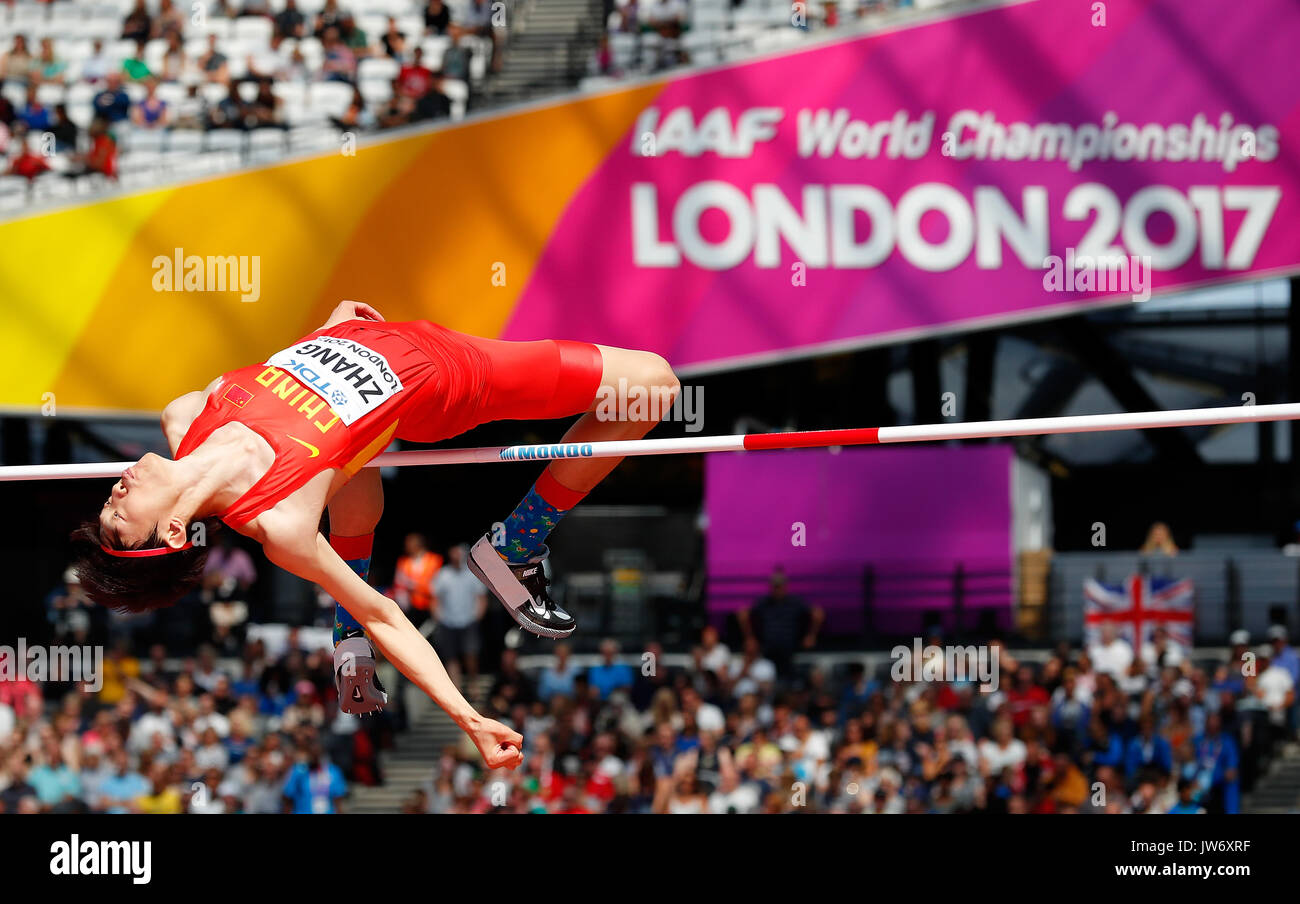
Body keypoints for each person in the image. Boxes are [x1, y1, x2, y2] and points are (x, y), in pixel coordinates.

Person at [70, 300, 679, 771]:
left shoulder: (185, 415)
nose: (115, 491)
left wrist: (321, 338)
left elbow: (291, 391)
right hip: (451, 374)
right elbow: (388, 615)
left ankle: (347, 645)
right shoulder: (281, 520)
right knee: (653, 385)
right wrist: (470, 720)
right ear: (173, 533)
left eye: (108, 502)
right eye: (120, 517)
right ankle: (516, 543)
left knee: (355, 487)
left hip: (377, 338)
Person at [736, 568, 823, 677]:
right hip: (767, 650)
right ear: (771, 587)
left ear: (786, 586)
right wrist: (750, 638)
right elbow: (742, 614)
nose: (778, 589)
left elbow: (818, 613)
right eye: (775, 586)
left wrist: (811, 636)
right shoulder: (764, 602)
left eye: (780, 586)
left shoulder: (794, 602)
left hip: (790, 651)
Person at [430, 543, 486, 687]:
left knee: (471, 654)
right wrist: (438, 617)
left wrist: (477, 617)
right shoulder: (443, 574)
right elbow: (435, 599)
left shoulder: (473, 573)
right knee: (451, 656)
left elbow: (481, 597)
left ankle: (474, 684)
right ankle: (456, 689)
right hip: (448, 622)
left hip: (468, 621)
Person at [393, 531, 441, 622]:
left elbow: (435, 586)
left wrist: (414, 585)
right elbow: (399, 584)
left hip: (430, 606)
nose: (406, 546)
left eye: (409, 542)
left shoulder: (434, 560)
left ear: (418, 544)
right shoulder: (403, 562)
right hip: (410, 607)